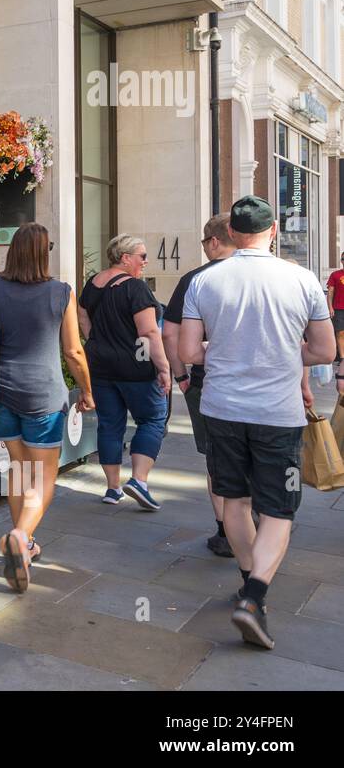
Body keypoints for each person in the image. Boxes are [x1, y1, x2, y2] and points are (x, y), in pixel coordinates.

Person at [180, 195, 335, 650]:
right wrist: (286, 354)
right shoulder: (301, 279)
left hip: (223, 407)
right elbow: (325, 351)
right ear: (272, 233)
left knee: (233, 500)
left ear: (229, 234)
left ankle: (249, 578)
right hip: (277, 413)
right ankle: (254, 595)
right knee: (280, 508)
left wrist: (225, 351)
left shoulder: (204, 281)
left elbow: (189, 353)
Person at [0, 222, 94, 594]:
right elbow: (73, 350)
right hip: (43, 395)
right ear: (43, 253)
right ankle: (21, 536)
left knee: (18, 470)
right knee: (44, 478)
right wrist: (86, 391)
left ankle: (27, 544)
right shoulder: (61, 293)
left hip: (1, 392)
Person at [78, 234, 170, 509]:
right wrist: (164, 368)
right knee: (153, 419)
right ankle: (139, 480)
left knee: (110, 424)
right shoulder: (136, 288)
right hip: (137, 367)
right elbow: (150, 331)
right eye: (142, 256)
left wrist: (94, 339)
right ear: (125, 257)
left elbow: (81, 314)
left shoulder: (93, 284)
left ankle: (112, 488)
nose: (146, 261)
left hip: (101, 366)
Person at [162, 214, 235, 557]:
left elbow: (170, 333)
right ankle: (262, 525)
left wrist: (180, 375)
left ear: (215, 242)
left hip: (209, 383)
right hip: (268, 384)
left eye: (205, 243)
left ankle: (225, 531)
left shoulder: (195, 279)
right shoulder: (277, 275)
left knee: (217, 458)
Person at [326, 252, 344, 363]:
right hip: (339, 308)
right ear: (341, 261)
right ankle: (342, 357)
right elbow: (330, 292)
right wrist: (330, 307)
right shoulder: (335, 275)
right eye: (343, 259)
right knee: (340, 332)